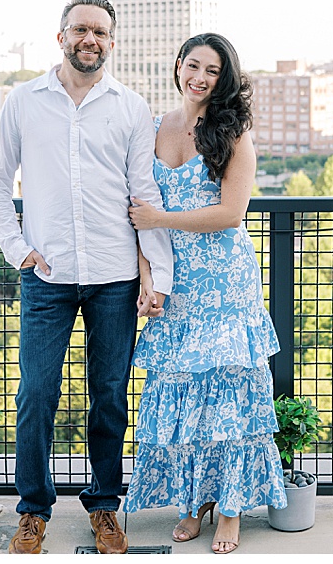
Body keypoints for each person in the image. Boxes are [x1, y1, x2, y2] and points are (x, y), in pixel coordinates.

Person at [0, 0, 173, 555]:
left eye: (101, 33)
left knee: (109, 395)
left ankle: (105, 507)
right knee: (36, 393)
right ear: (61, 36)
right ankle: (33, 511)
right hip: (48, 276)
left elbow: (144, 194)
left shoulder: (132, 108)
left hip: (115, 275)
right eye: (81, 30)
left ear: (112, 42)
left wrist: (154, 271)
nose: (91, 40)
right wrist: (18, 249)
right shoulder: (24, 101)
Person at [122, 33, 288, 554]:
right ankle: (193, 501)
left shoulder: (234, 133)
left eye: (212, 71)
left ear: (224, 79)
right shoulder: (149, 128)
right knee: (183, 396)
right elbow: (136, 216)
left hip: (225, 284)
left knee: (229, 398)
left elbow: (231, 214)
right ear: (178, 67)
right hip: (175, 285)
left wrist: (161, 218)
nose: (200, 77)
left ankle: (232, 510)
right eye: (193, 65)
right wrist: (148, 278)